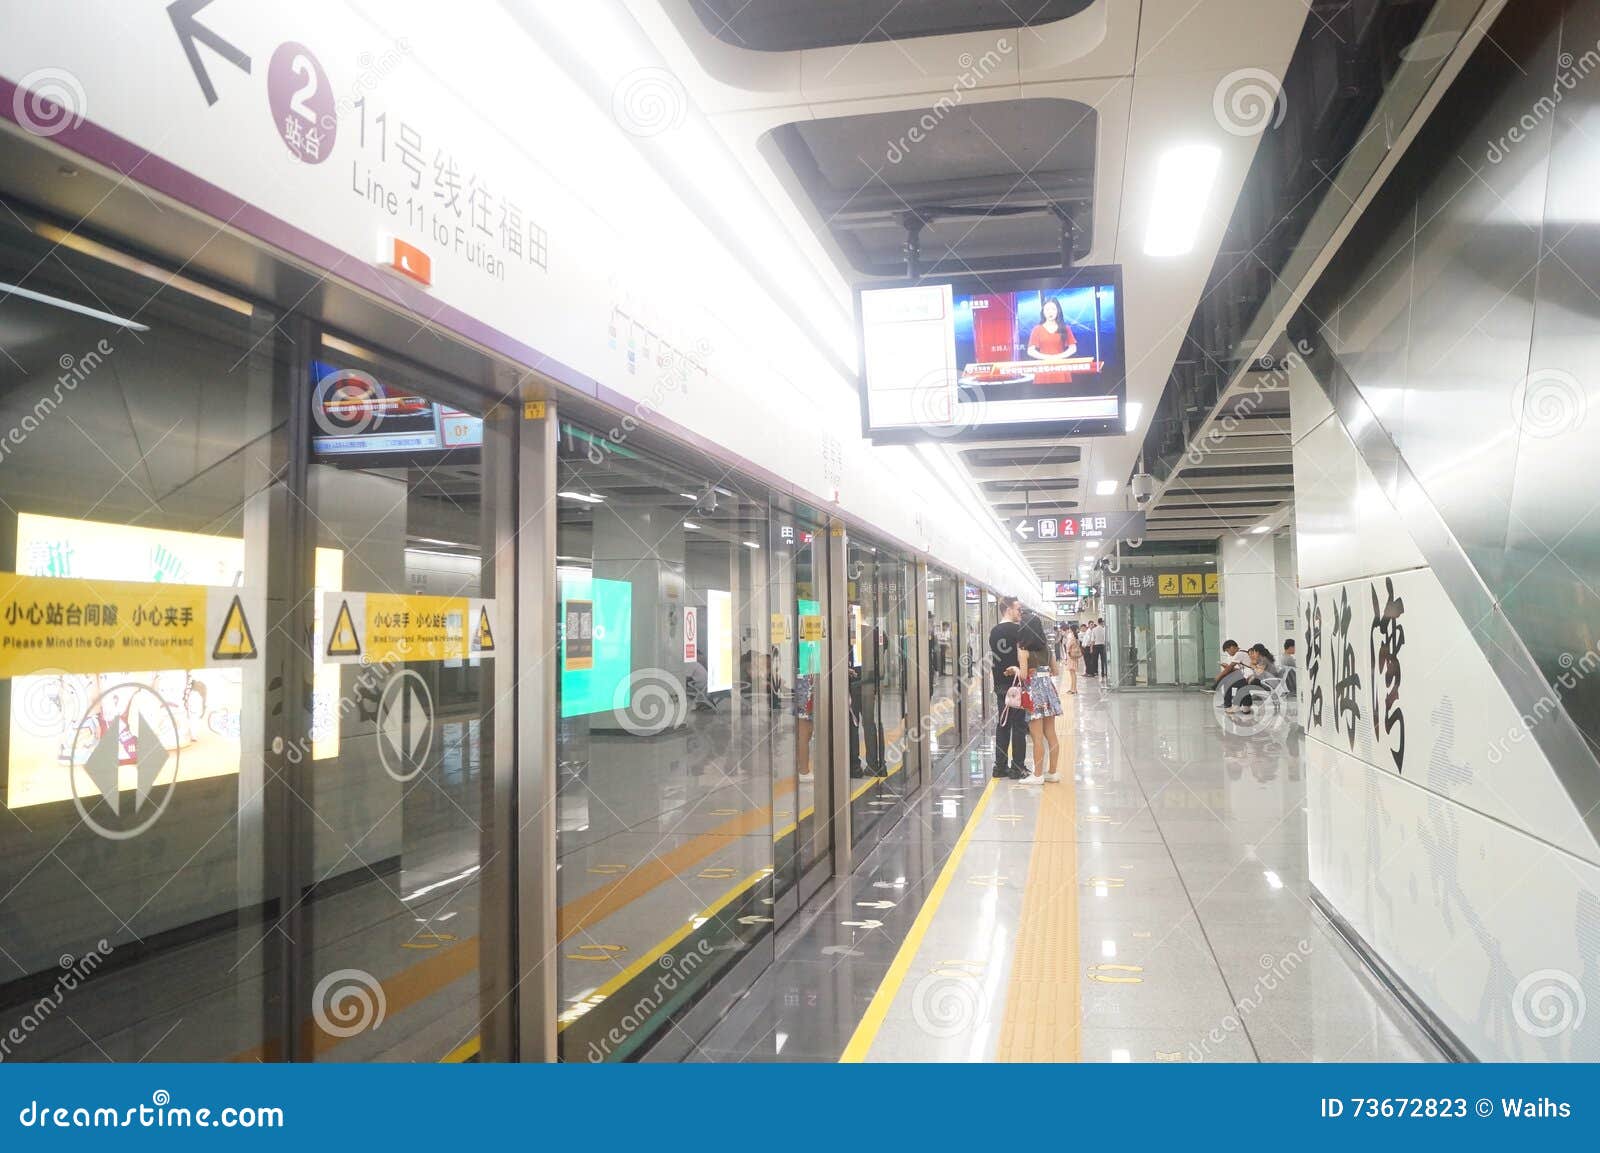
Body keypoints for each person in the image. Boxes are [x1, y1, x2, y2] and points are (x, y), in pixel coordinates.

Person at [1014, 610, 1064, 784]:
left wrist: (1013, 670)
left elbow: (1022, 675)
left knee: (1036, 737)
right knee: (1051, 734)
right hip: (1049, 691)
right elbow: (1056, 671)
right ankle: (1053, 772)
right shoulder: (1047, 649)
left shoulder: (1023, 650)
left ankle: (1037, 775)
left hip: (1034, 693)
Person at [988, 595, 1029, 779]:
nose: (1020, 612)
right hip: (1018, 684)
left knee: (1003, 723)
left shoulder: (994, 631)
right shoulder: (1021, 630)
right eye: (1018, 609)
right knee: (1019, 725)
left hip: (1000, 684)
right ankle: (1017, 767)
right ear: (1008, 609)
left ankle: (999, 766)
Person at [1025, 296, 1078, 361]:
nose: (1050, 312)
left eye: (1053, 309)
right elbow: (1030, 351)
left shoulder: (1065, 328)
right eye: (1047, 309)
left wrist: (1058, 357)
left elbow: (1073, 348)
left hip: (1061, 366)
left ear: (1058, 311)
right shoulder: (1037, 329)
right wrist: (1048, 358)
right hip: (1044, 367)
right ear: (1043, 312)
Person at [1214, 639, 1249, 710]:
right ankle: (1227, 703)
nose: (1228, 653)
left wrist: (1219, 675)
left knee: (1227, 680)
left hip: (1249, 677)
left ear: (1232, 647)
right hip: (1246, 676)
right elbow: (1236, 669)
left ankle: (1227, 703)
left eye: (1227, 650)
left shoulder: (1239, 654)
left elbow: (1230, 667)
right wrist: (1227, 667)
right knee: (1228, 679)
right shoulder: (1241, 653)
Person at [1062, 623, 1083, 694]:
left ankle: (1073, 689)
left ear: (1070, 629)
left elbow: (1068, 646)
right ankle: (1073, 688)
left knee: (1072, 673)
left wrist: (1066, 654)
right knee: (1073, 673)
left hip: (1071, 656)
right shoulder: (1075, 636)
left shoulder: (1070, 636)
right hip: (1074, 656)